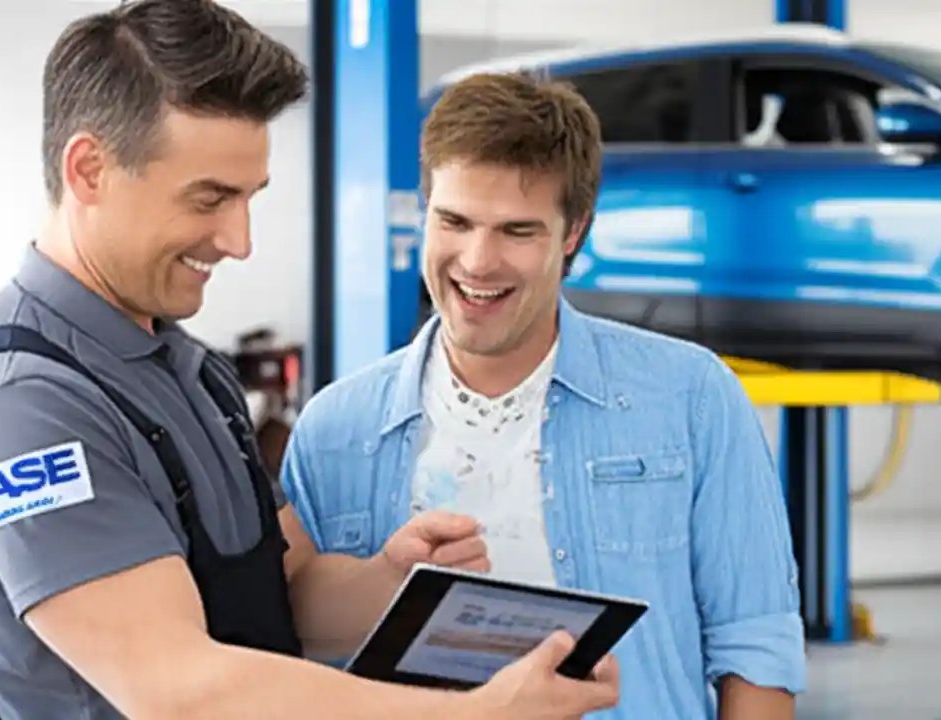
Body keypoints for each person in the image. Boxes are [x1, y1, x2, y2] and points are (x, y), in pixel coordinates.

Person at [0, 2, 622, 718]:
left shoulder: (186, 368)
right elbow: (178, 690)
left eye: (250, 198)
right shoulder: (21, 411)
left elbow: (287, 589)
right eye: (210, 199)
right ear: (90, 169)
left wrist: (390, 583)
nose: (239, 239)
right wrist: (480, 714)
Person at [280, 71, 809, 719]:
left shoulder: (691, 398)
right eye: (454, 220)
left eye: (517, 231)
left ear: (573, 233)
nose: (477, 261)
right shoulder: (335, 428)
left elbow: (755, 646)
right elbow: (289, 637)